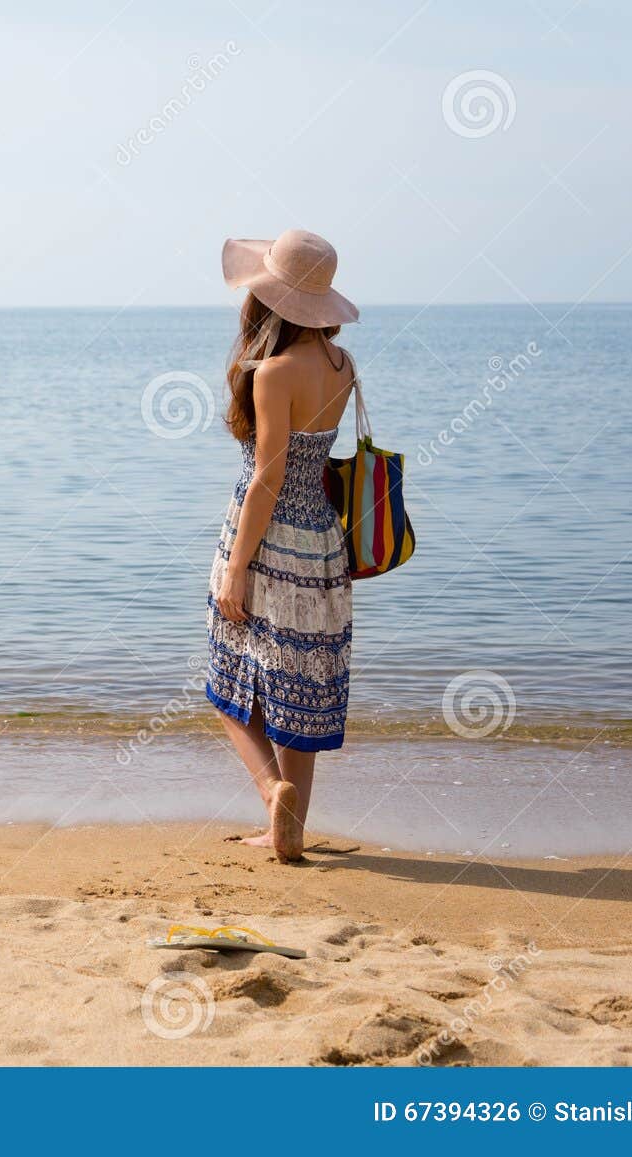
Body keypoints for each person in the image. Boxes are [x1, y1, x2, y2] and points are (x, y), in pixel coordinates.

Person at [206, 229, 357, 863]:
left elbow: (267, 478)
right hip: (321, 542)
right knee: (301, 677)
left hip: (265, 539)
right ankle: (290, 821)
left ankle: (273, 795)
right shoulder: (340, 365)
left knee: (227, 674)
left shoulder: (272, 372)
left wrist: (238, 566)